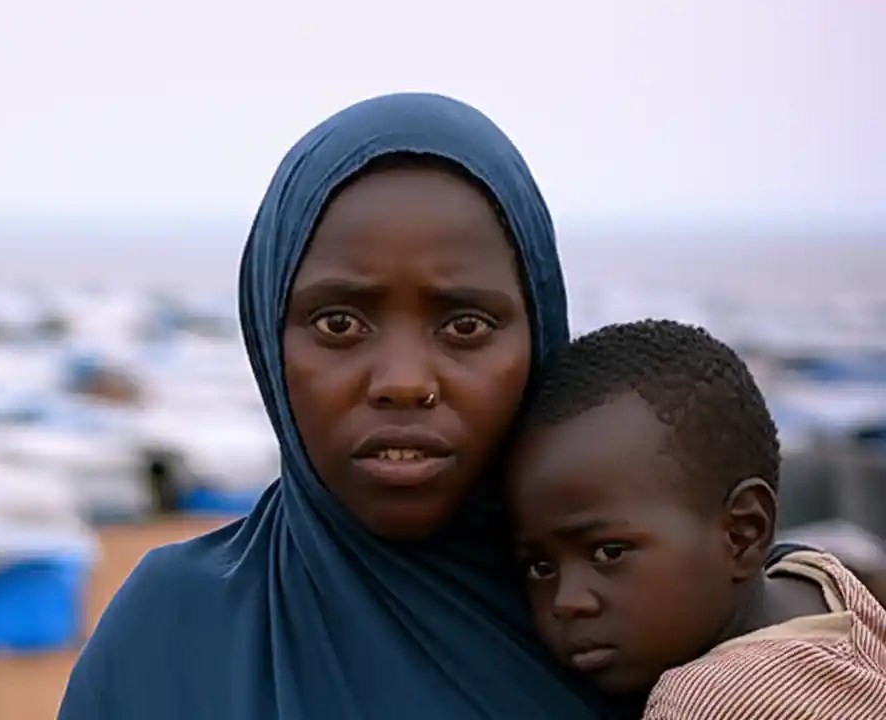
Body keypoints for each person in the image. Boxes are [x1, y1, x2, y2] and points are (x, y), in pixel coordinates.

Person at [58, 92, 621, 719]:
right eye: (339, 323)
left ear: (540, 333)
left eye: (465, 326)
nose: (404, 383)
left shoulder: (645, 626)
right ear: (269, 340)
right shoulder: (168, 639)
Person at [508, 319, 886, 718]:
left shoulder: (702, 702)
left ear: (743, 533)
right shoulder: (821, 581)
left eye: (608, 552)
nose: (567, 602)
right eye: (541, 567)